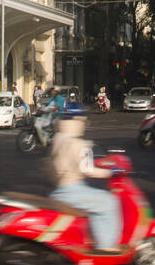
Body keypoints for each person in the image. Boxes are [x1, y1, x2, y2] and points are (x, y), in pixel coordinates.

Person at [49, 106, 122, 254]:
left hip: (59, 189)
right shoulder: (79, 144)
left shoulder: (58, 138)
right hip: (73, 190)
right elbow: (87, 170)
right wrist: (110, 172)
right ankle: (105, 245)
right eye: (83, 120)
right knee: (108, 201)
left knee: (97, 199)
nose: (84, 124)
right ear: (78, 121)